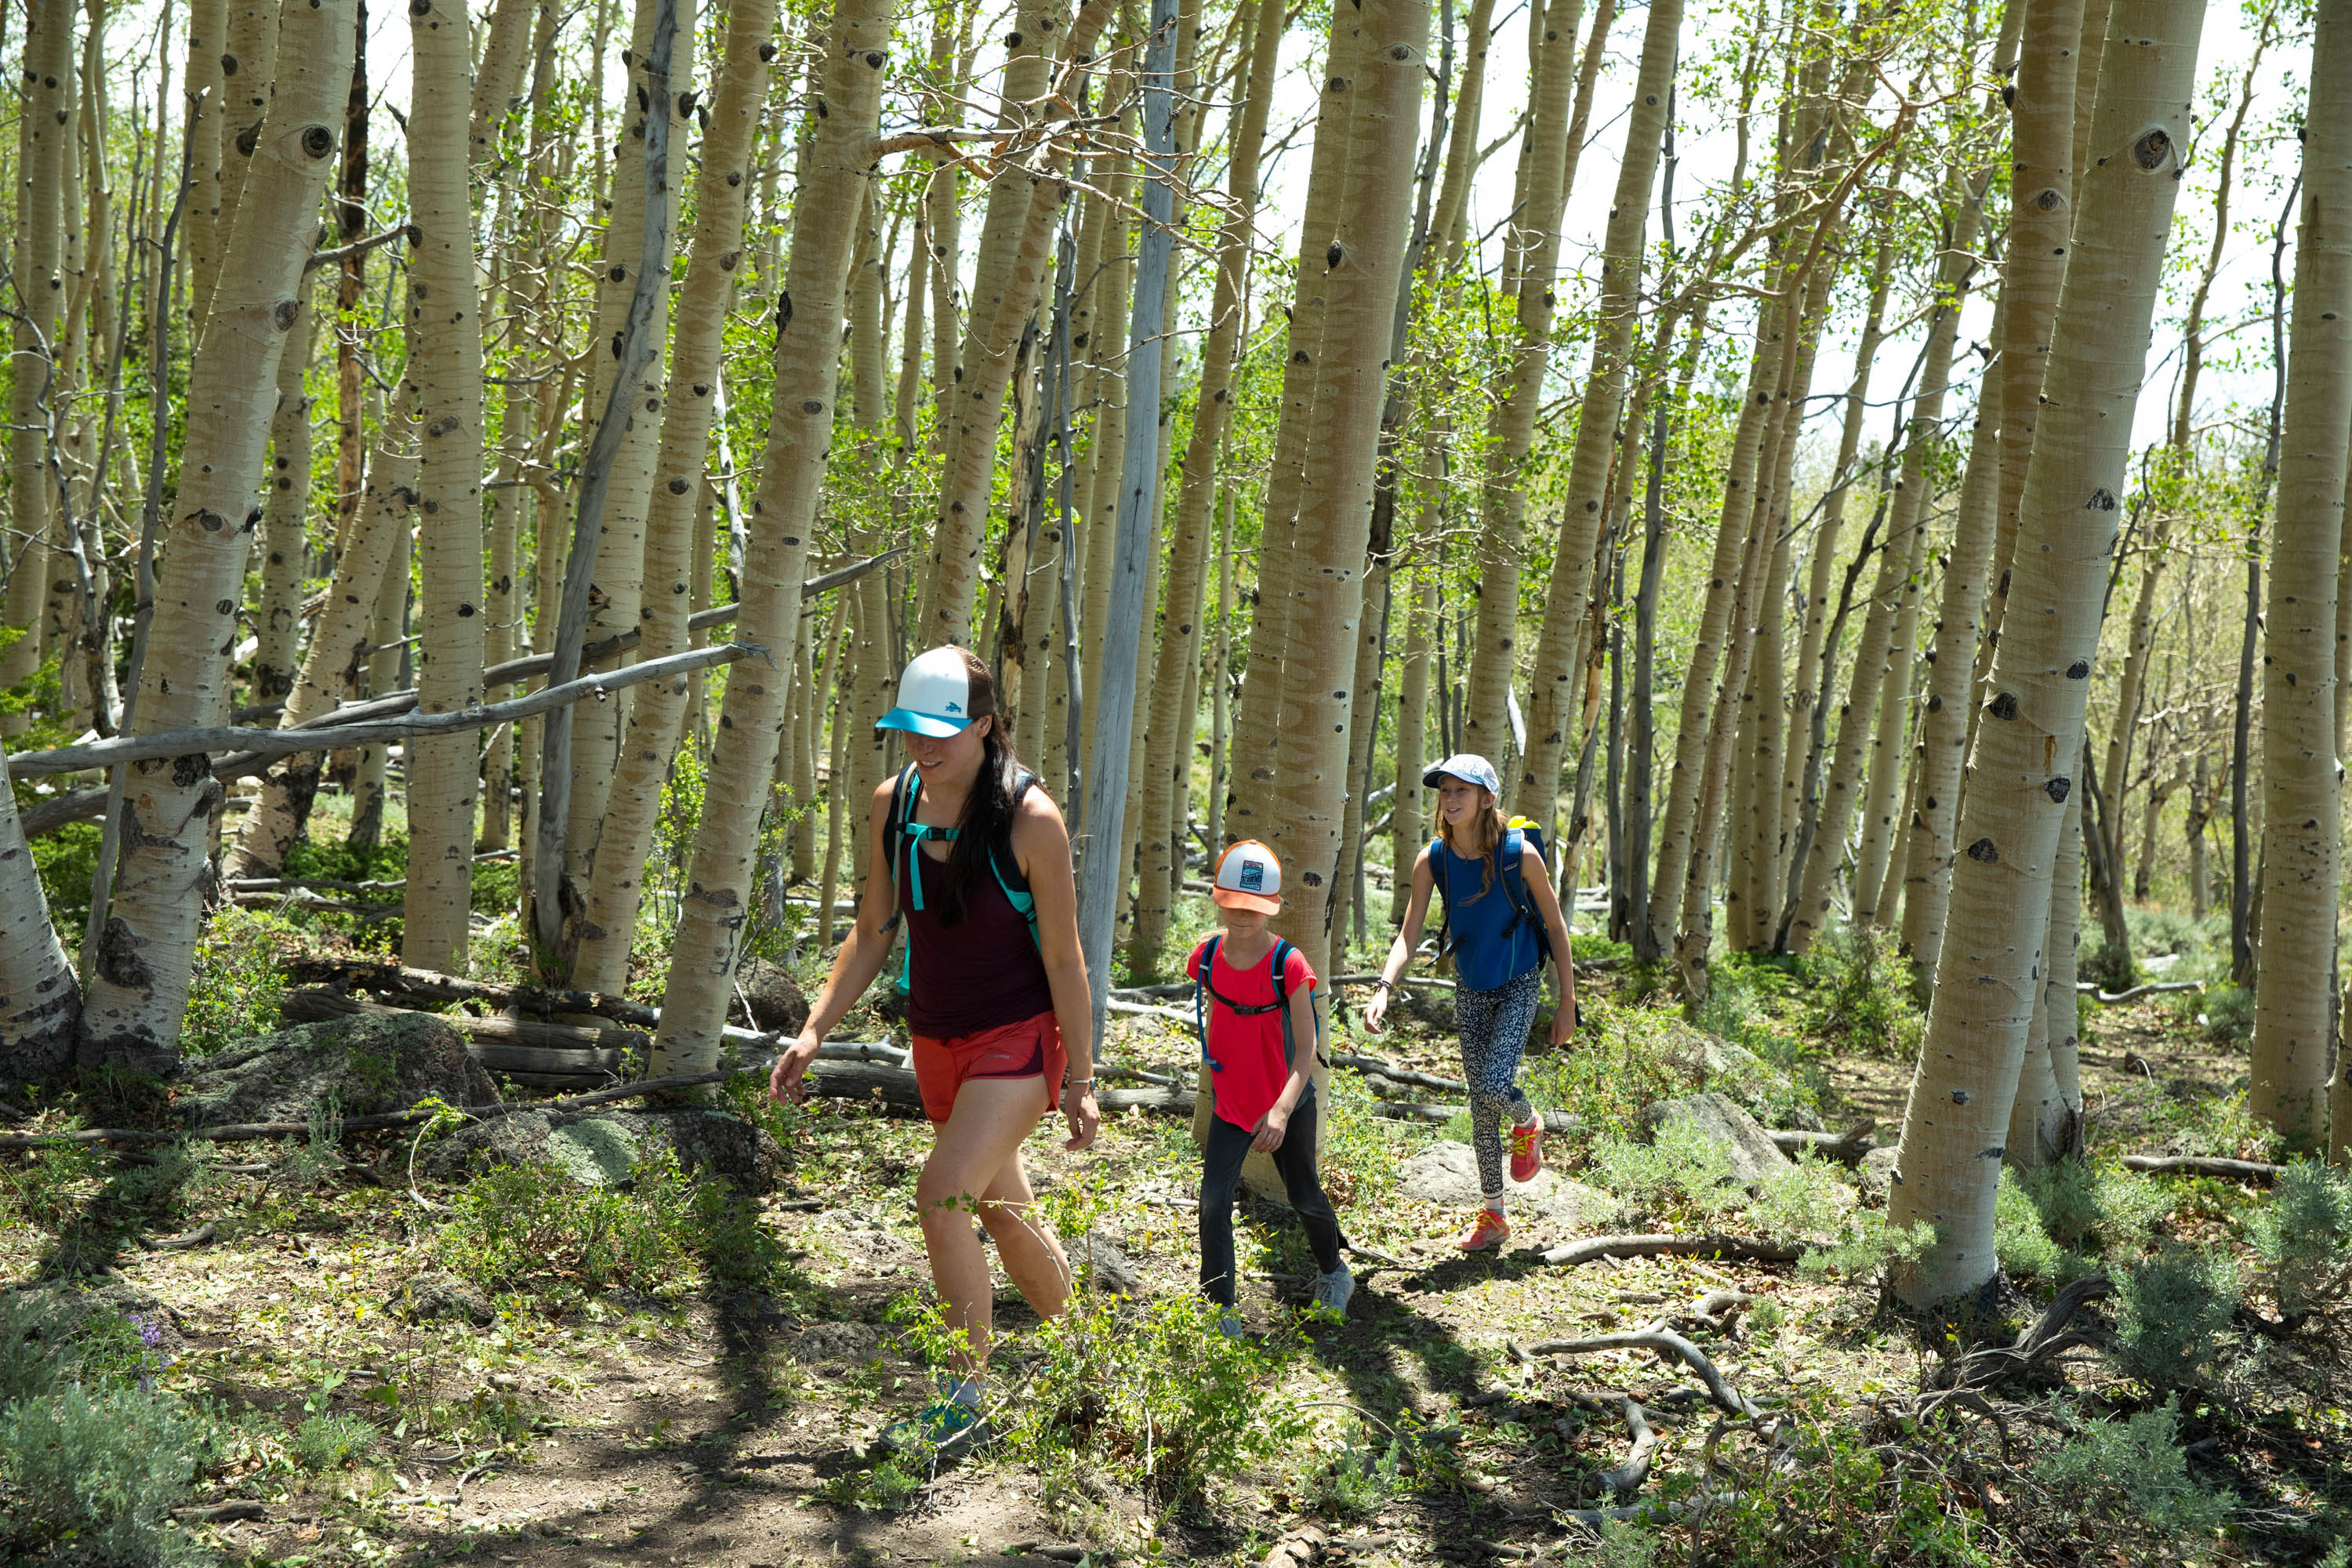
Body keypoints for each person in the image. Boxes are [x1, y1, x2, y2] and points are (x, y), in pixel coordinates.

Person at [770, 645, 1101, 1454]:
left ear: (984, 727)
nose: (921, 746)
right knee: (1001, 1208)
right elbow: (874, 926)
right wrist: (815, 1026)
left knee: (942, 1193)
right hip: (937, 1038)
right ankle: (1092, 1361)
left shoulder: (1032, 820)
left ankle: (965, 1397)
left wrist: (1083, 1078)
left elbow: (1064, 957)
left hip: (1018, 1040)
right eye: (908, 730)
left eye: (939, 731)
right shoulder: (897, 802)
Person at [1362, 754, 1577, 1252]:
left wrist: (1567, 1000)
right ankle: (1494, 1215)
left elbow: (1556, 926)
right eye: (1444, 791)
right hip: (1471, 985)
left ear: (1487, 798)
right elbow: (1409, 932)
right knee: (1481, 1102)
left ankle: (1528, 1122)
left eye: (1463, 790)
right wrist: (1384, 987)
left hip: (1520, 979)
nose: (1451, 799)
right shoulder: (1432, 859)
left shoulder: (1520, 855)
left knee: (1495, 1084)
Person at [1186, 841, 1352, 1328]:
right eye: (1235, 904)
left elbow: (1306, 1049)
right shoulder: (1207, 957)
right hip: (1231, 1104)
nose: (1243, 915)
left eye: (1255, 907)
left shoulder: (1289, 965)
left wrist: (1280, 1111)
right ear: (1219, 899)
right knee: (1213, 1202)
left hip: (1288, 1102)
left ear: (1273, 907)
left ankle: (1335, 1272)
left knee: (1303, 1195)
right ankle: (1219, 1308)